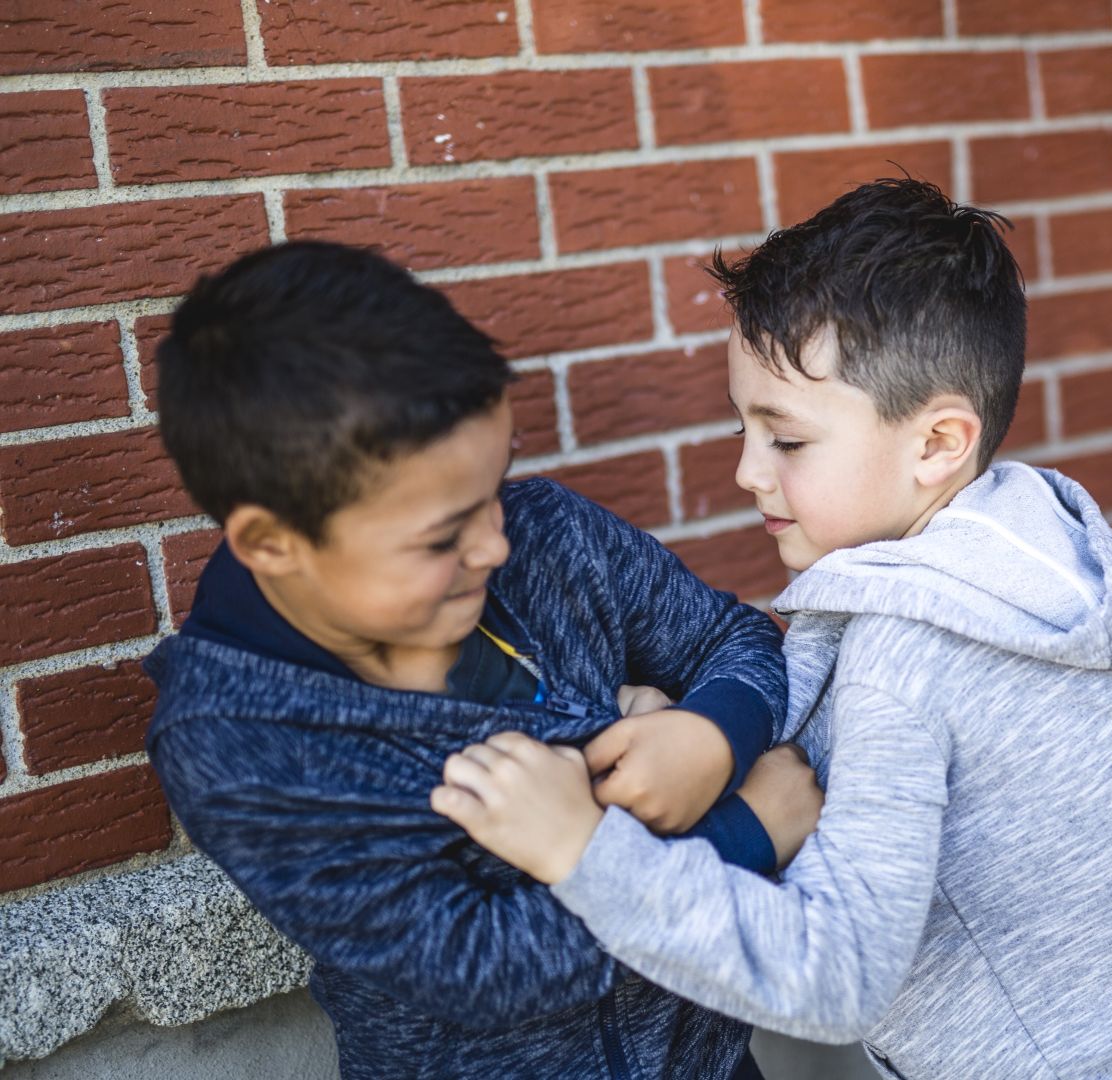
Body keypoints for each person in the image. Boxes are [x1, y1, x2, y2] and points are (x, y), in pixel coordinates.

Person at [433, 179, 1112, 1078]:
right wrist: (689, 717)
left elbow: (836, 974)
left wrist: (585, 852)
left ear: (937, 443)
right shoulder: (1031, 557)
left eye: (788, 440)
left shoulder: (907, 648)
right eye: (743, 426)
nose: (745, 471)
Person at [143, 241, 821, 1080]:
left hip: (712, 1060)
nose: (496, 543)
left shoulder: (549, 536)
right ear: (272, 543)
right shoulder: (239, 738)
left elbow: (737, 639)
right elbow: (486, 965)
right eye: (441, 535)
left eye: (495, 486)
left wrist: (710, 736)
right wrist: (745, 830)